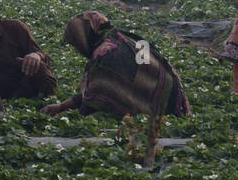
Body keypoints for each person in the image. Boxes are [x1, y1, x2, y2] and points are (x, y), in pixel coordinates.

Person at [41, 11, 190, 118]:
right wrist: (61, 107)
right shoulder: (123, 38)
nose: (76, 49)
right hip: (172, 98)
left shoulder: (105, 52)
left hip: (160, 107)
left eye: (76, 43)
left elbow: (94, 100)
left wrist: (76, 120)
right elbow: (95, 92)